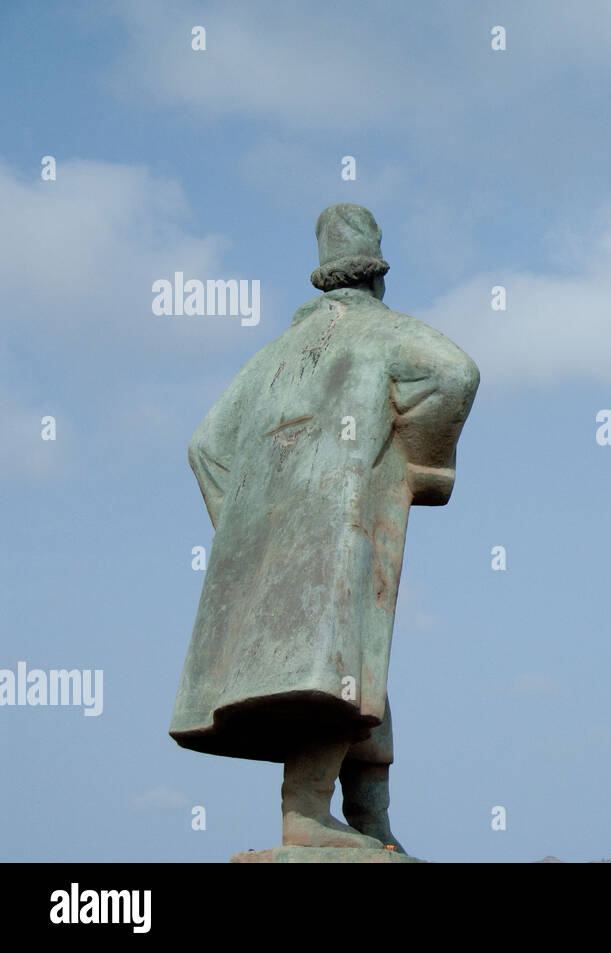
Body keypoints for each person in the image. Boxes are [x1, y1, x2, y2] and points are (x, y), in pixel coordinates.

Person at [169, 203, 479, 852]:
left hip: (287, 546)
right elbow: (456, 372)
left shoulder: (270, 359)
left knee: (361, 668)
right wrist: (409, 462)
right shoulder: (379, 331)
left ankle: (370, 816)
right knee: (337, 670)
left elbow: (205, 447)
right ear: (376, 278)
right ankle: (305, 815)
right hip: (341, 534)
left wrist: (248, 534)